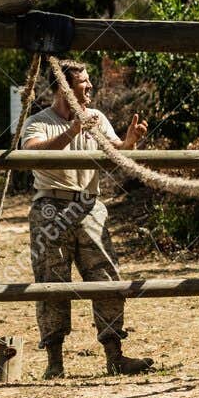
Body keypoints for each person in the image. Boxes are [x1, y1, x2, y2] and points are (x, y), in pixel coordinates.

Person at [20, 59, 152, 379]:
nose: (90, 87)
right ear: (63, 89)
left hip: (90, 206)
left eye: (89, 81)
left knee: (106, 276)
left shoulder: (96, 118)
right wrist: (72, 132)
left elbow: (114, 148)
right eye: (83, 83)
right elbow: (35, 152)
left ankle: (114, 355)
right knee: (52, 282)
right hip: (52, 208)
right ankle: (55, 362)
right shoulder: (38, 122)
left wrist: (130, 141)